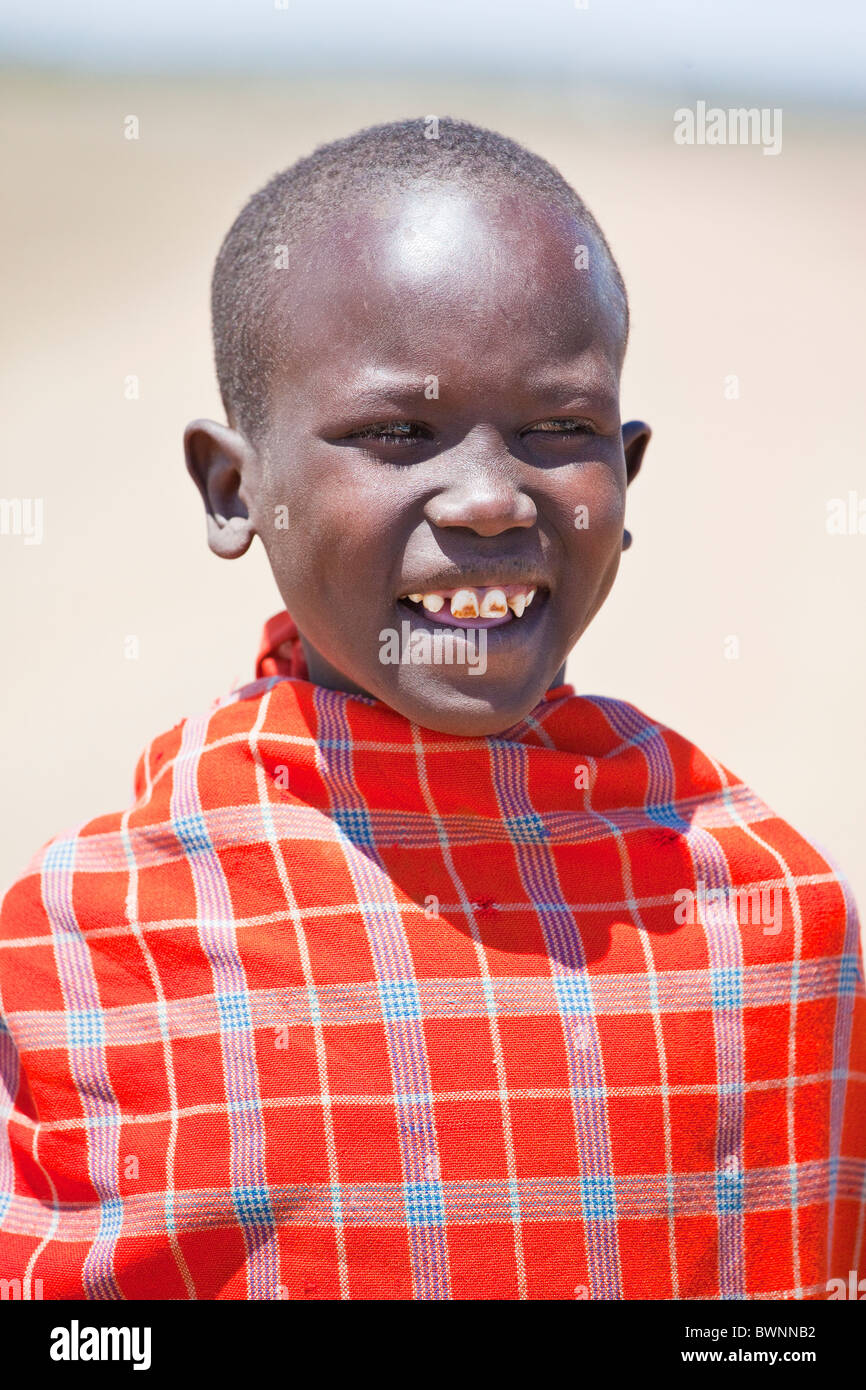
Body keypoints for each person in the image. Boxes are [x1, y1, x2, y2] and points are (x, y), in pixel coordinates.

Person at [1, 118, 863, 1301]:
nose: (488, 499)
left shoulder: (762, 907)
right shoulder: (87, 945)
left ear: (626, 472)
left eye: (558, 430)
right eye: (396, 433)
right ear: (231, 487)